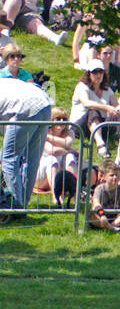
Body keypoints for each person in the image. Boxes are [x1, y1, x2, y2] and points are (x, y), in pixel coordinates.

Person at [0, 76, 52, 217]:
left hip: (26, 108)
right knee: (32, 158)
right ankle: (23, 205)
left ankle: (15, 207)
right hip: (45, 104)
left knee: (9, 159)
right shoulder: (6, 82)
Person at [71, 60, 120, 159]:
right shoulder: (82, 87)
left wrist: (118, 109)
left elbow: (116, 105)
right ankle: (101, 145)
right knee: (93, 111)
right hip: (80, 126)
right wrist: (106, 107)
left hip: (102, 125)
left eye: (100, 72)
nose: (98, 75)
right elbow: (86, 103)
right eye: (94, 72)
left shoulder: (107, 89)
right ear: (88, 74)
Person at [88, 159, 120, 230]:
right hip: (101, 217)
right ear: (105, 177)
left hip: (117, 219)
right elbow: (96, 204)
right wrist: (102, 215)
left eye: (117, 175)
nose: (115, 177)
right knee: (90, 213)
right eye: (111, 175)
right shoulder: (100, 189)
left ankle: (110, 226)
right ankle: (112, 228)